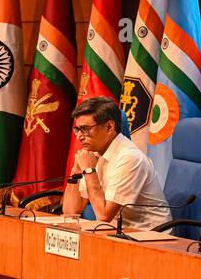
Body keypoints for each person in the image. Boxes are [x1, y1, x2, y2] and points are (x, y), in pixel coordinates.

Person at [62, 96, 169, 231]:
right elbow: (71, 211)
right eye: (77, 130)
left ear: (109, 126)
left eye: (85, 129)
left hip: (150, 237)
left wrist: (89, 170)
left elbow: (104, 215)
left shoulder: (130, 158)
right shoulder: (93, 155)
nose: (79, 137)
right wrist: (76, 171)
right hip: (114, 233)